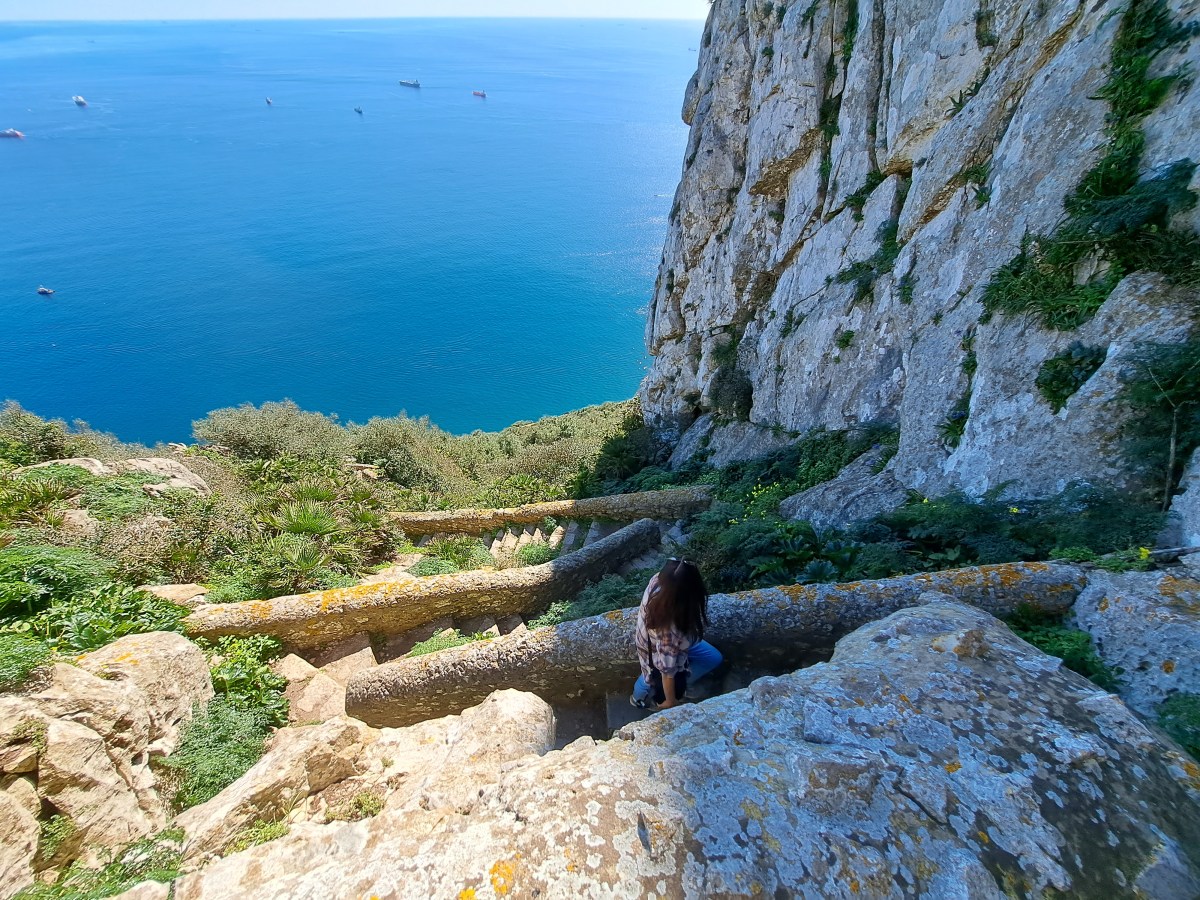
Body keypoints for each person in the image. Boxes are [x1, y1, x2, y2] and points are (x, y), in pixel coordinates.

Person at [630, 558, 723, 710]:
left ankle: (683, 684)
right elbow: (667, 671)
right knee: (650, 675)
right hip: (658, 649)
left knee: (713, 658)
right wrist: (670, 701)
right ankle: (638, 698)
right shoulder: (669, 629)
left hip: (665, 640)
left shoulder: (659, 580)